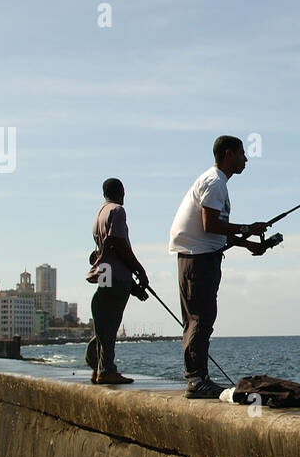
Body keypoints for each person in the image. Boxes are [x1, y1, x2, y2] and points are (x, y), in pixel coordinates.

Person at [168, 135, 269, 399]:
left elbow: (216, 232)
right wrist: (248, 228)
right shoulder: (214, 182)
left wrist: (247, 244)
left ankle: (197, 378)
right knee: (200, 319)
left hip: (199, 257)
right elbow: (209, 225)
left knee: (198, 319)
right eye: (241, 153)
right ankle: (197, 381)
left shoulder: (216, 183)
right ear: (227, 154)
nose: (246, 158)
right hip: (198, 260)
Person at [85, 177, 148, 385]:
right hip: (116, 273)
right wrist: (139, 270)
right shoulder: (117, 211)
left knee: (104, 319)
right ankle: (106, 369)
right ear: (121, 191)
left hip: (104, 271)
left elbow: (103, 247)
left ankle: (98, 367)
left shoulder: (99, 214)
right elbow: (118, 243)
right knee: (110, 322)